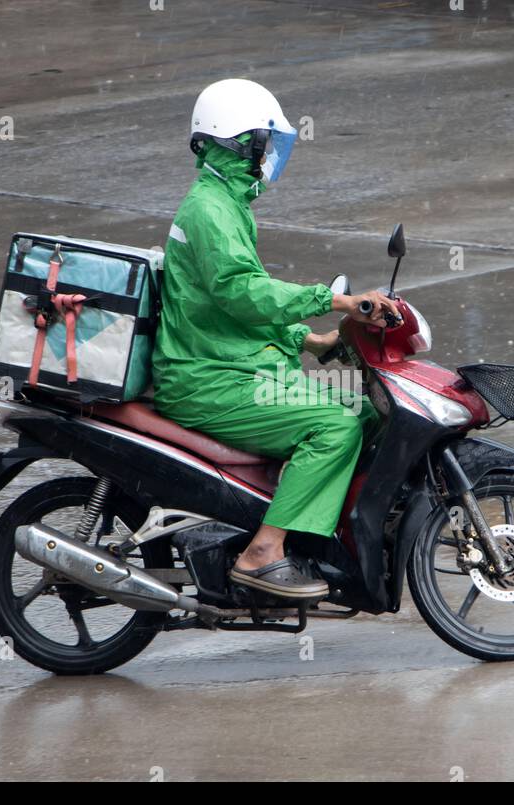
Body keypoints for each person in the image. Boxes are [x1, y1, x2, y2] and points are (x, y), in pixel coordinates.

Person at [152, 78, 402, 600]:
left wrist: (311, 342)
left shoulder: (225, 202)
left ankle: (312, 538)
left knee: (362, 409)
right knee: (336, 426)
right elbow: (244, 295)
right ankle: (263, 550)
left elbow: (228, 309)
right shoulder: (212, 211)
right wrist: (335, 301)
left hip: (229, 363)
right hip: (210, 380)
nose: (270, 155)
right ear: (241, 141)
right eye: (266, 143)